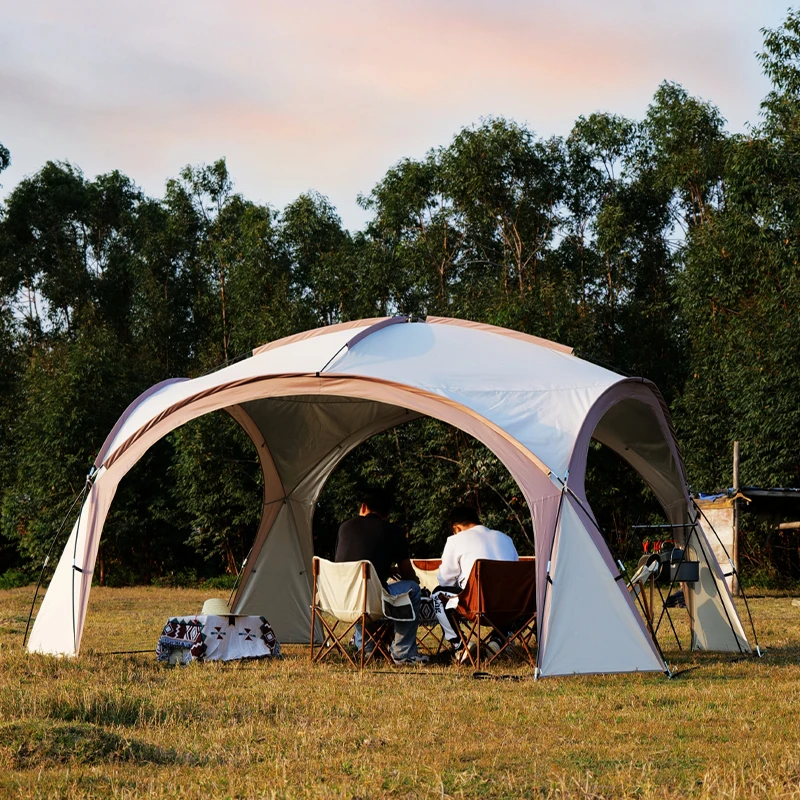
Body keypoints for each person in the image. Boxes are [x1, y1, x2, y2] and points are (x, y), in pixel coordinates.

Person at [335, 488, 427, 665]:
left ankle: (367, 648)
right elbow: (407, 573)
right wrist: (413, 580)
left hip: (339, 599)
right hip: (369, 600)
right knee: (413, 589)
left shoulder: (344, 527)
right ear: (386, 514)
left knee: (364, 589)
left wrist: (386, 570)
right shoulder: (393, 531)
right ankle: (403, 653)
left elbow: (349, 566)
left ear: (363, 507)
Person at [433, 506, 519, 657]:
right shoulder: (506, 539)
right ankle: (498, 641)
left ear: (457, 528)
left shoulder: (455, 540)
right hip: (509, 608)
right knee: (512, 595)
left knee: (437, 594)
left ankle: (460, 646)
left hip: (475, 605)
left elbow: (445, 580)